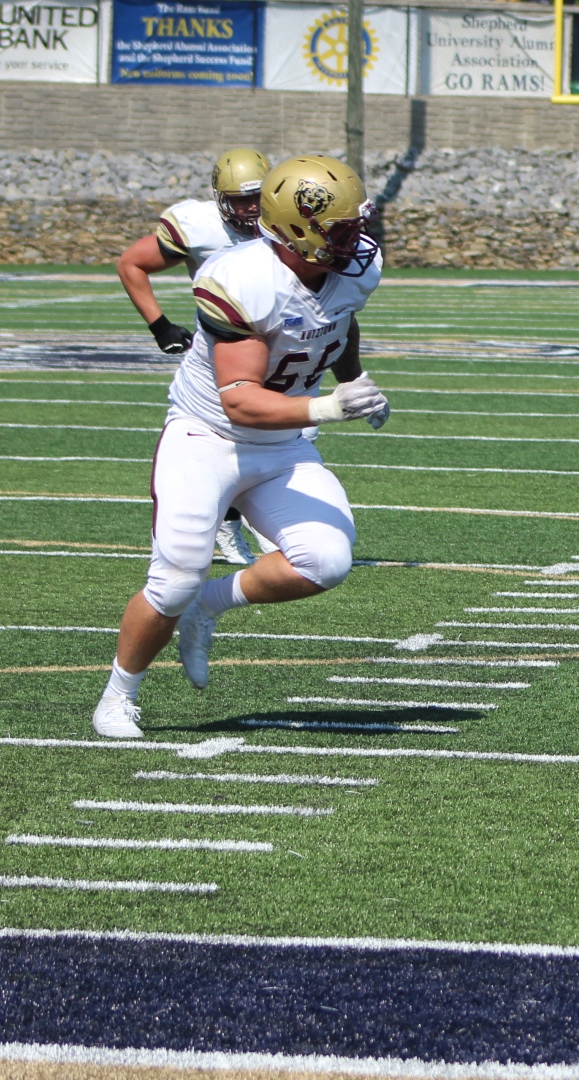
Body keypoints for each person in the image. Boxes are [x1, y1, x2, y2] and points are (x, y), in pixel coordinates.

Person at [91, 156, 394, 740]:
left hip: (284, 442)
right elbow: (241, 401)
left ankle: (210, 605)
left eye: (357, 223)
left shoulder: (357, 267)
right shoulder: (239, 278)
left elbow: (338, 318)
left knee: (326, 561)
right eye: (339, 228)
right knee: (174, 578)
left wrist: (351, 379)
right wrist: (330, 407)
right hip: (207, 437)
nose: (356, 238)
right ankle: (119, 695)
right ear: (298, 231)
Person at [117, 148, 275, 567]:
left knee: (292, 433)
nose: (251, 207)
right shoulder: (199, 226)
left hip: (282, 344)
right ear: (220, 198)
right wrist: (160, 327)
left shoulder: (289, 221)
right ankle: (226, 517)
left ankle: (264, 517)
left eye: (258, 196)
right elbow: (132, 263)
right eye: (240, 199)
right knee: (227, 433)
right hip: (224, 346)